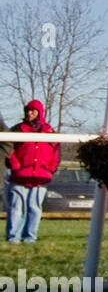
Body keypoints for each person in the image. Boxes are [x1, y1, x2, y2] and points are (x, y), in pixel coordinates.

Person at [6, 99, 59, 244]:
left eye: (33, 111)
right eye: (28, 110)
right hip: (20, 177)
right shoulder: (17, 129)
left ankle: (30, 237)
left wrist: (50, 169)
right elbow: (8, 149)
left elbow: (55, 152)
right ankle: (13, 237)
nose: (30, 113)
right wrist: (15, 165)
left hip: (40, 178)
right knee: (17, 209)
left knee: (34, 208)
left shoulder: (49, 131)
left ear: (39, 113)